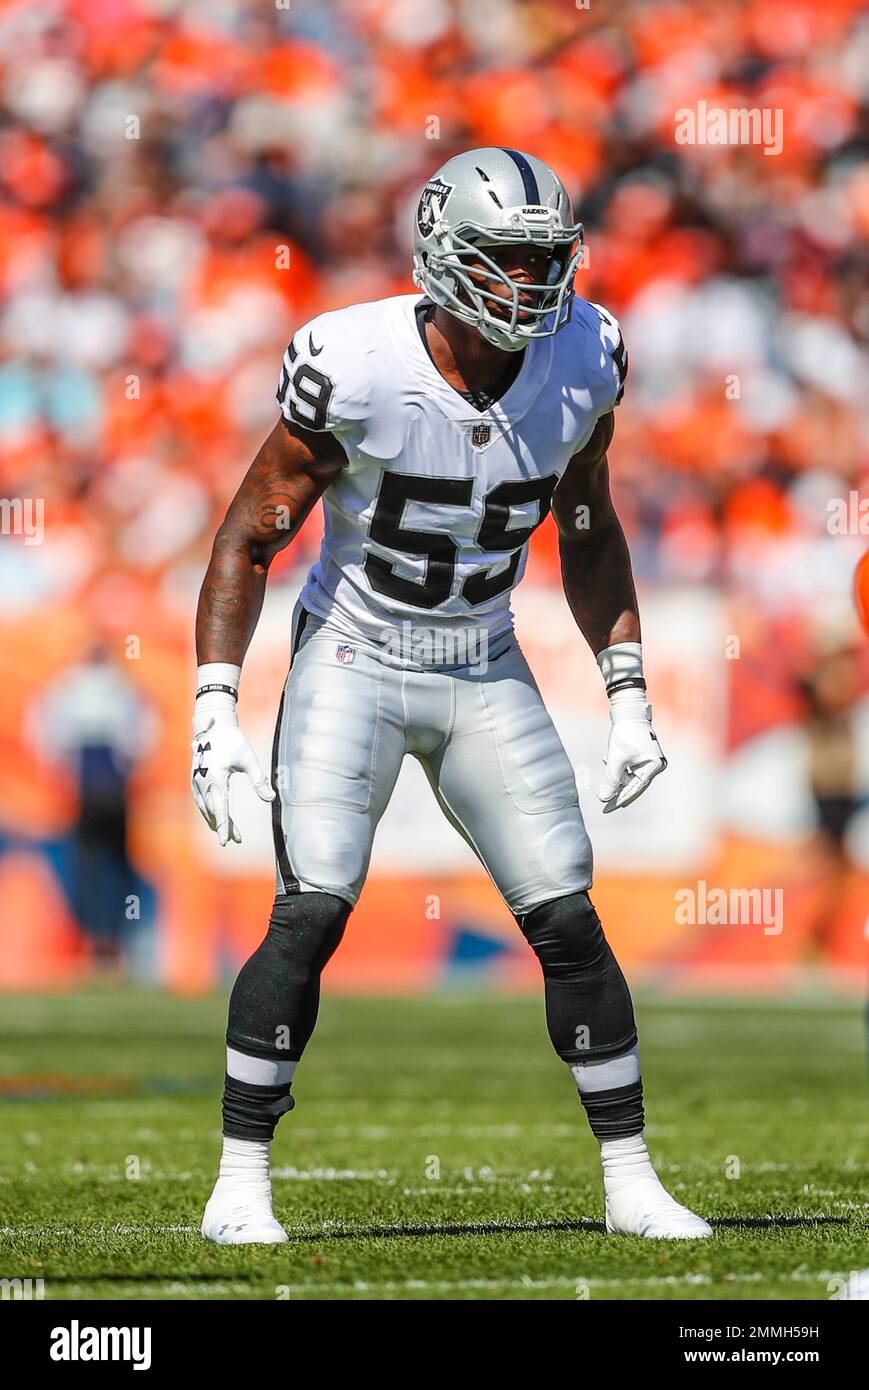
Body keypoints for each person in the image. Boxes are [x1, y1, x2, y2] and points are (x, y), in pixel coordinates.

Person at [191, 148, 712, 1244]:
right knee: (314, 905)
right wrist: (214, 703)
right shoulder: (355, 361)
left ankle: (629, 1180)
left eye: (545, 259)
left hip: (483, 657)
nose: (531, 283)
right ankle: (240, 1180)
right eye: (506, 258)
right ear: (443, 257)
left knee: (567, 916)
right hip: (353, 655)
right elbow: (252, 530)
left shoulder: (586, 354)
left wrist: (625, 689)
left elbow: (587, 523)